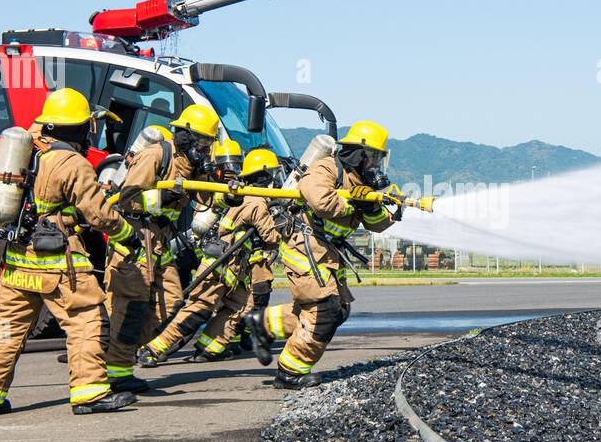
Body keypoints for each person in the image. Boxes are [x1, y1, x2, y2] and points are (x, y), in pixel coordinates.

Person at [0, 88, 138, 416]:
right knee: (86, 318)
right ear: (76, 128)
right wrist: (126, 234)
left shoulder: (27, 147)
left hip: (17, 259)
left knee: (8, 324)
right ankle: (90, 393)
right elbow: (98, 213)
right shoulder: (71, 163)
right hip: (56, 261)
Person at [245, 121, 395, 388]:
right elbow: (320, 201)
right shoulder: (327, 167)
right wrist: (354, 203)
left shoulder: (362, 182)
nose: (375, 165)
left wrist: (371, 207)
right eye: (372, 157)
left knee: (337, 311)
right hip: (304, 246)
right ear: (359, 154)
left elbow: (379, 223)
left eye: (378, 159)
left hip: (327, 252)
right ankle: (290, 371)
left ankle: (263, 324)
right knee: (325, 310)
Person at [103, 103, 219, 392]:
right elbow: (127, 199)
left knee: (171, 299)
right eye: (202, 142)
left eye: (208, 144)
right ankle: (115, 372)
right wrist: (163, 197)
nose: (204, 149)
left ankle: (120, 357)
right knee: (131, 307)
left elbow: (207, 201)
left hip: (159, 240)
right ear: (186, 136)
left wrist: (225, 190)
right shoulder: (156, 154)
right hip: (137, 235)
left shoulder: (192, 166)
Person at [137, 142, 281, 364]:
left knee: (242, 306)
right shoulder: (255, 201)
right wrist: (282, 222)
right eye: (270, 173)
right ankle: (154, 349)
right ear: (262, 175)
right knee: (198, 309)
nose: (272, 179)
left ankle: (210, 347)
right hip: (221, 264)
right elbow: (270, 237)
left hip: (234, 267)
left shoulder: (249, 196)